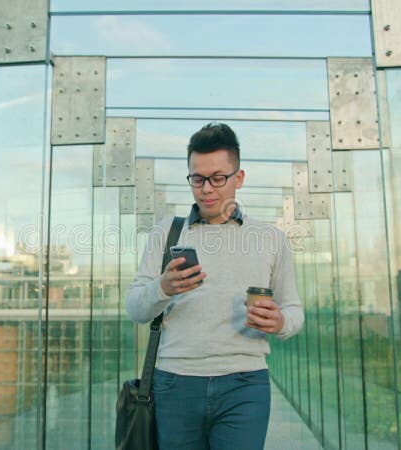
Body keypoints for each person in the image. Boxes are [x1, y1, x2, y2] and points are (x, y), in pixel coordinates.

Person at [126, 122, 304, 449]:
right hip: (174, 384)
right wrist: (163, 288)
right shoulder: (166, 234)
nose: (206, 189)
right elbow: (135, 308)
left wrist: (280, 322)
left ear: (239, 178)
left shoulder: (270, 239)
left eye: (218, 178)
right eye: (197, 178)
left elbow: (294, 311)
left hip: (245, 384)